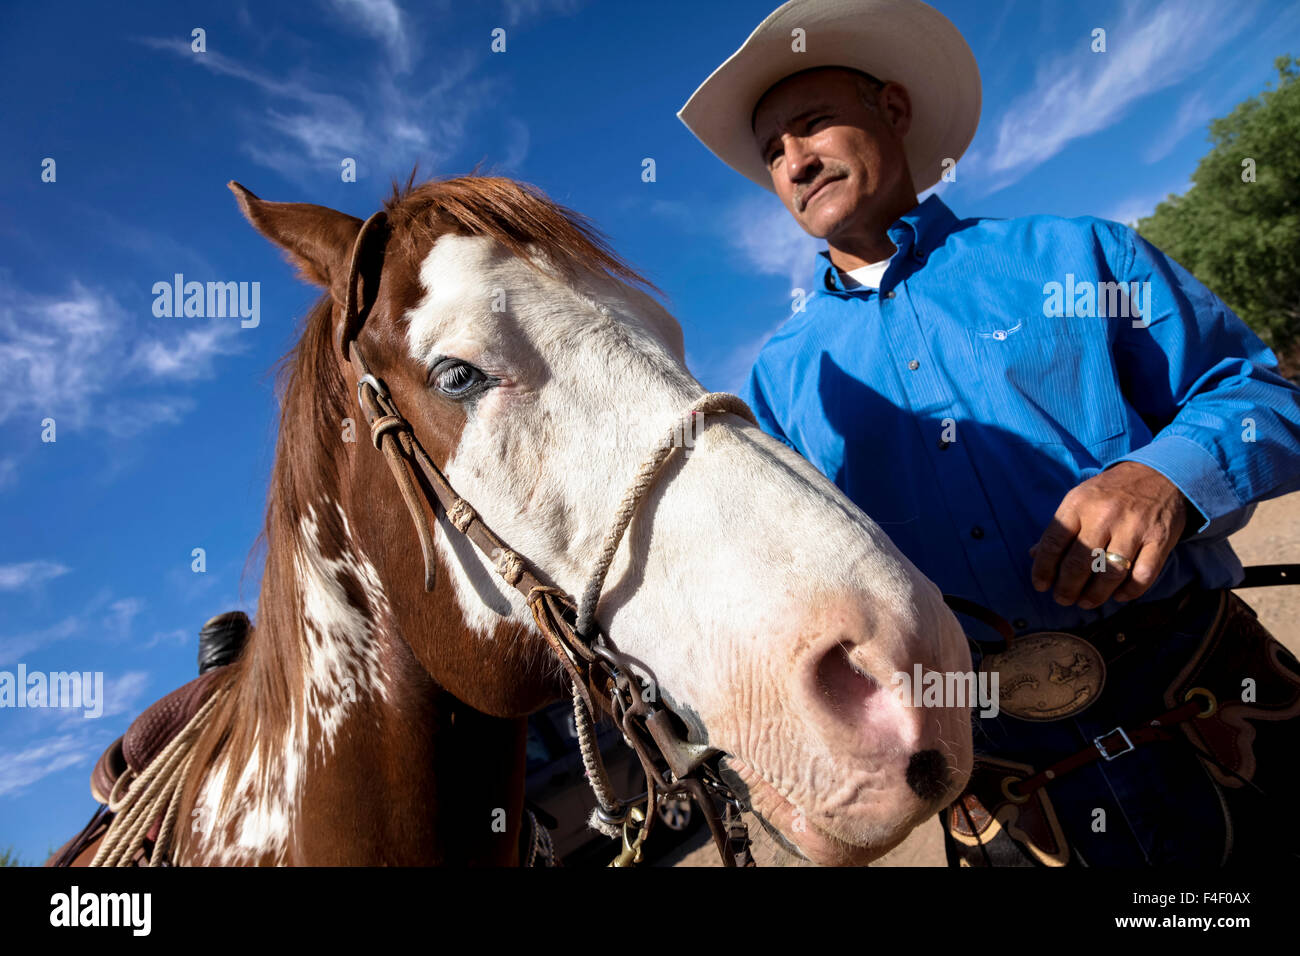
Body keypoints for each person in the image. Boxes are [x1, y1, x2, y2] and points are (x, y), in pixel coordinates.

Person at [678, 0, 1300, 865]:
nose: (793, 161)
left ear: (893, 111)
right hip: (1002, 786)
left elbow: (1260, 397)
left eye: (812, 123)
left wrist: (1164, 478)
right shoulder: (778, 385)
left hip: (1212, 703)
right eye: (772, 151)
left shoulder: (1082, 256)